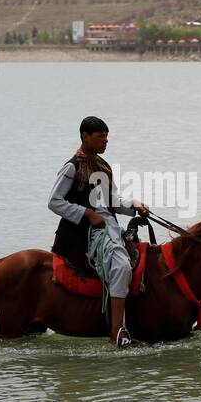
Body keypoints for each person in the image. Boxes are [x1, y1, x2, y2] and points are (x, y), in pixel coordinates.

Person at [48, 116, 149, 348]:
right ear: (85, 136)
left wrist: (134, 205)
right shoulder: (71, 167)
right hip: (87, 233)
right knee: (122, 267)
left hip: (109, 227)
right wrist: (86, 213)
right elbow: (54, 201)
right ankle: (117, 332)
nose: (106, 141)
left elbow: (112, 200)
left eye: (106, 136)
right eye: (100, 136)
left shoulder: (103, 166)